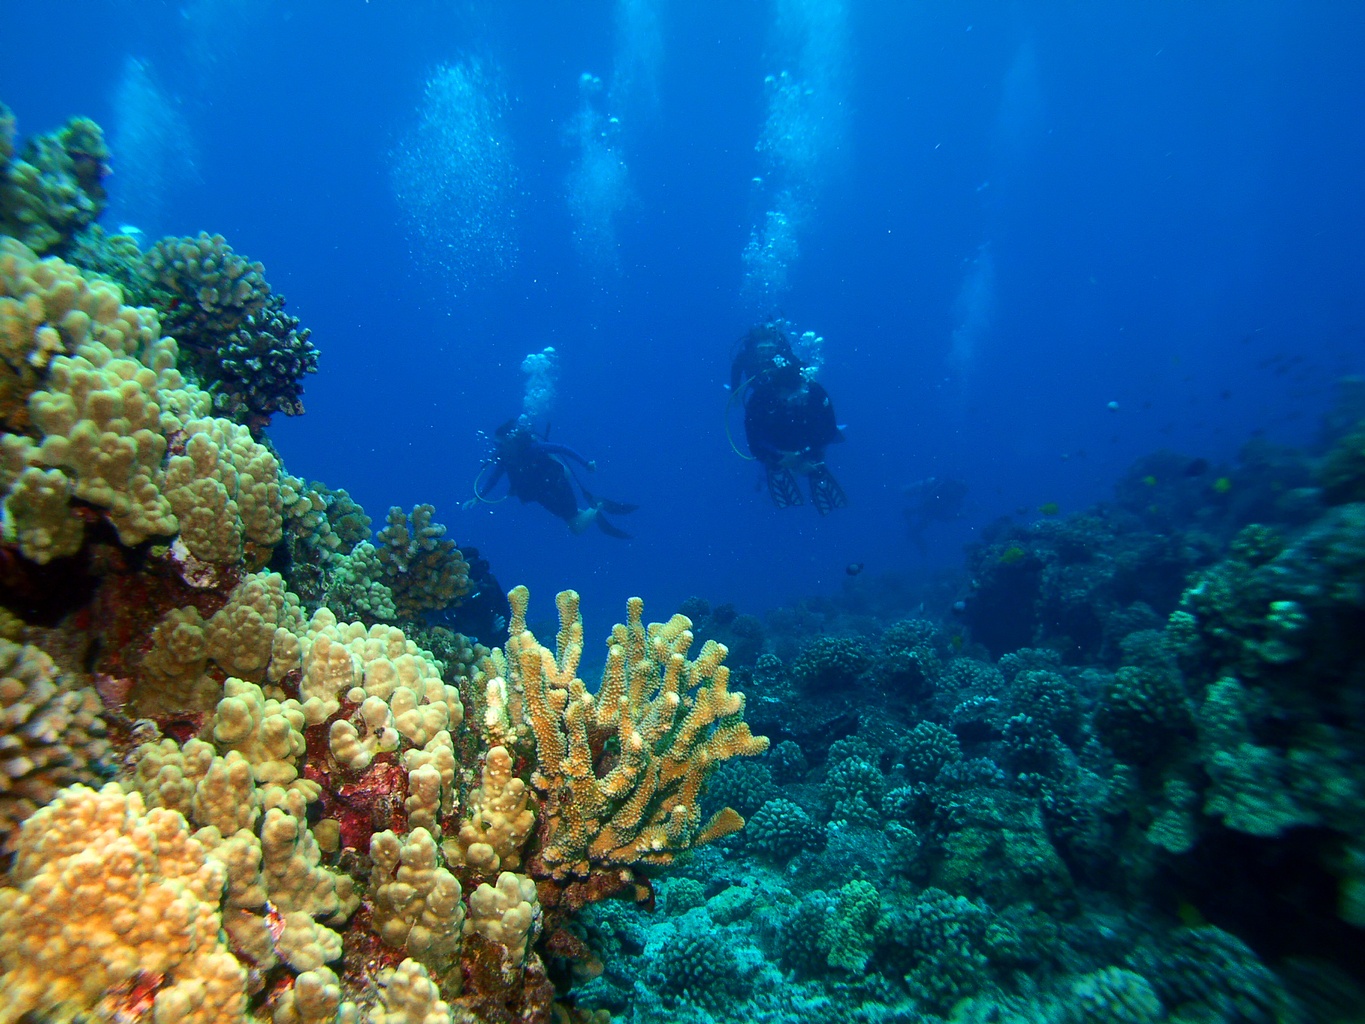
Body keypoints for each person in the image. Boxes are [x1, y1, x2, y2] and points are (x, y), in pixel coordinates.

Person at [729, 321, 847, 514]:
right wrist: (777, 456)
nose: (766, 352)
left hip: (801, 430)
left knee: (805, 423)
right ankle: (775, 467)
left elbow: (827, 428)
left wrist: (805, 455)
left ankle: (811, 463)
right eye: (762, 348)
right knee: (774, 430)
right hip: (772, 418)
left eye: (770, 348)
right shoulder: (761, 396)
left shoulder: (813, 391)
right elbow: (755, 437)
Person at [466, 419, 637, 538]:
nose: (497, 448)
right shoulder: (505, 458)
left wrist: (586, 463)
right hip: (541, 493)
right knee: (572, 519)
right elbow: (493, 479)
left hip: (556, 483)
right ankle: (589, 512)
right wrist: (478, 497)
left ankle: (600, 505)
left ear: (511, 441)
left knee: (576, 527)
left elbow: (561, 448)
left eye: (500, 444)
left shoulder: (532, 449)